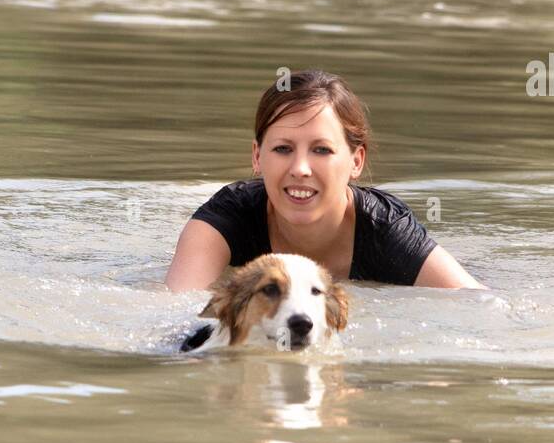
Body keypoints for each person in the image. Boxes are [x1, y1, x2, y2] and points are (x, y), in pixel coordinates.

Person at [166, 69, 483, 292]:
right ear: (257, 157)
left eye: (321, 149)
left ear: (355, 161)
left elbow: (480, 303)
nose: (300, 168)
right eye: (282, 149)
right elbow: (176, 313)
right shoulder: (227, 219)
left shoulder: (384, 231)